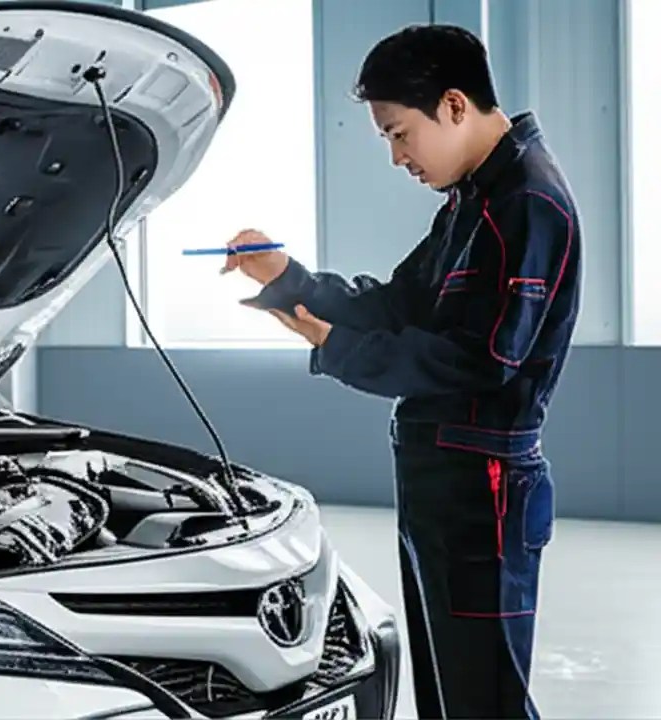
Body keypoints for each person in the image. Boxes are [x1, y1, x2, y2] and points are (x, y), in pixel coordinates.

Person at [222, 24, 580, 720]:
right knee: (450, 699)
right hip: (444, 482)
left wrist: (340, 349)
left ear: (452, 105)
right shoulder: (475, 201)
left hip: (485, 490)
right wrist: (288, 278)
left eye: (398, 133)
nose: (396, 157)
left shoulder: (526, 204)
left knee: (487, 705)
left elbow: (483, 362)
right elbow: (397, 302)